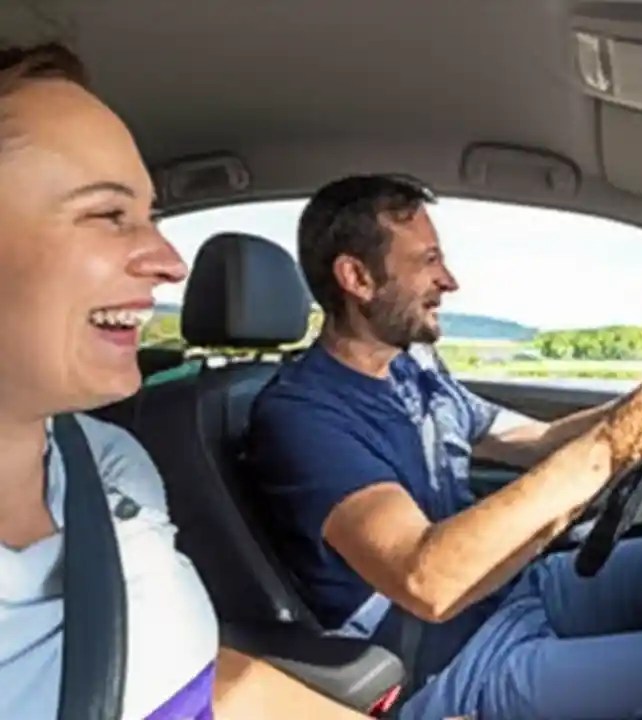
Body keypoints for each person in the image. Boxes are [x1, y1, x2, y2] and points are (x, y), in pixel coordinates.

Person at [245, 174, 642, 718]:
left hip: (509, 590)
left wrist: (637, 408)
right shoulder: (303, 416)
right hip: (451, 663)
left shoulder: (412, 371)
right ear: (358, 278)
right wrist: (613, 443)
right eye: (429, 261)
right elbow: (425, 579)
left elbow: (536, 440)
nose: (450, 280)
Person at [0, 42, 375, 719]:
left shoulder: (107, 461)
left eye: (150, 216)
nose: (171, 261)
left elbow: (192, 676)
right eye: (108, 214)